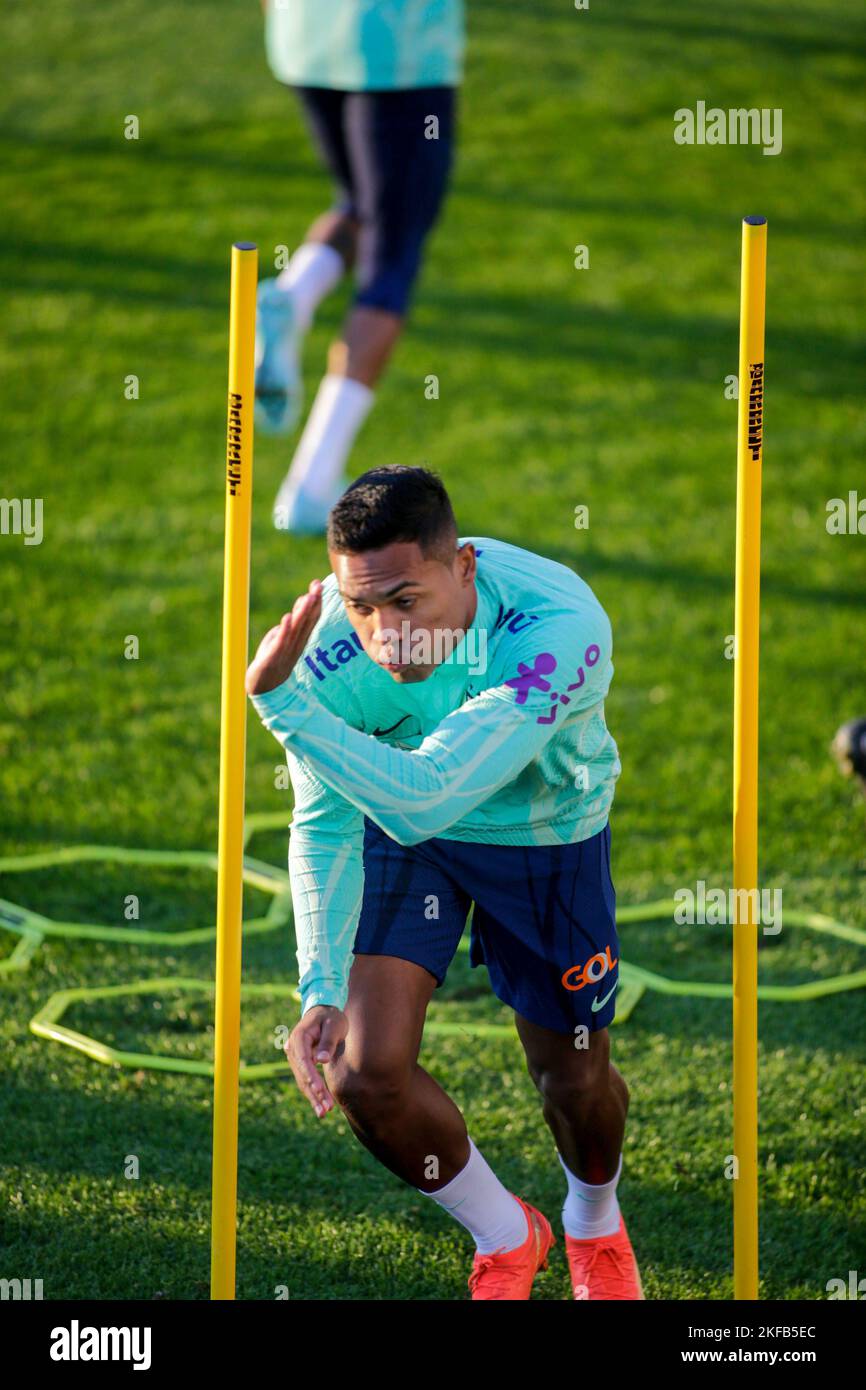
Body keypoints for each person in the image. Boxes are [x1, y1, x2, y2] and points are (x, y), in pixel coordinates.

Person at [246, 465, 643, 1300]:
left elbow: (429, 796)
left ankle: (594, 1219)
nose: (383, 636)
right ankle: (507, 1236)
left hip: (541, 836)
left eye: (404, 602)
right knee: (362, 1070)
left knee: (572, 1076)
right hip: (405, 823)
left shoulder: (560, 628)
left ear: (462, 566)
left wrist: (282, 709)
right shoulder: (319, 650)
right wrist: (318, 985)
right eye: (360, 608)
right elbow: (325, 823)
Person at [255, 1, 464, 534]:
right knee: (392, 253)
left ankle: (295, 296)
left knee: (358, 201)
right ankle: (310, 482)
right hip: (398, 51)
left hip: (303, 37)